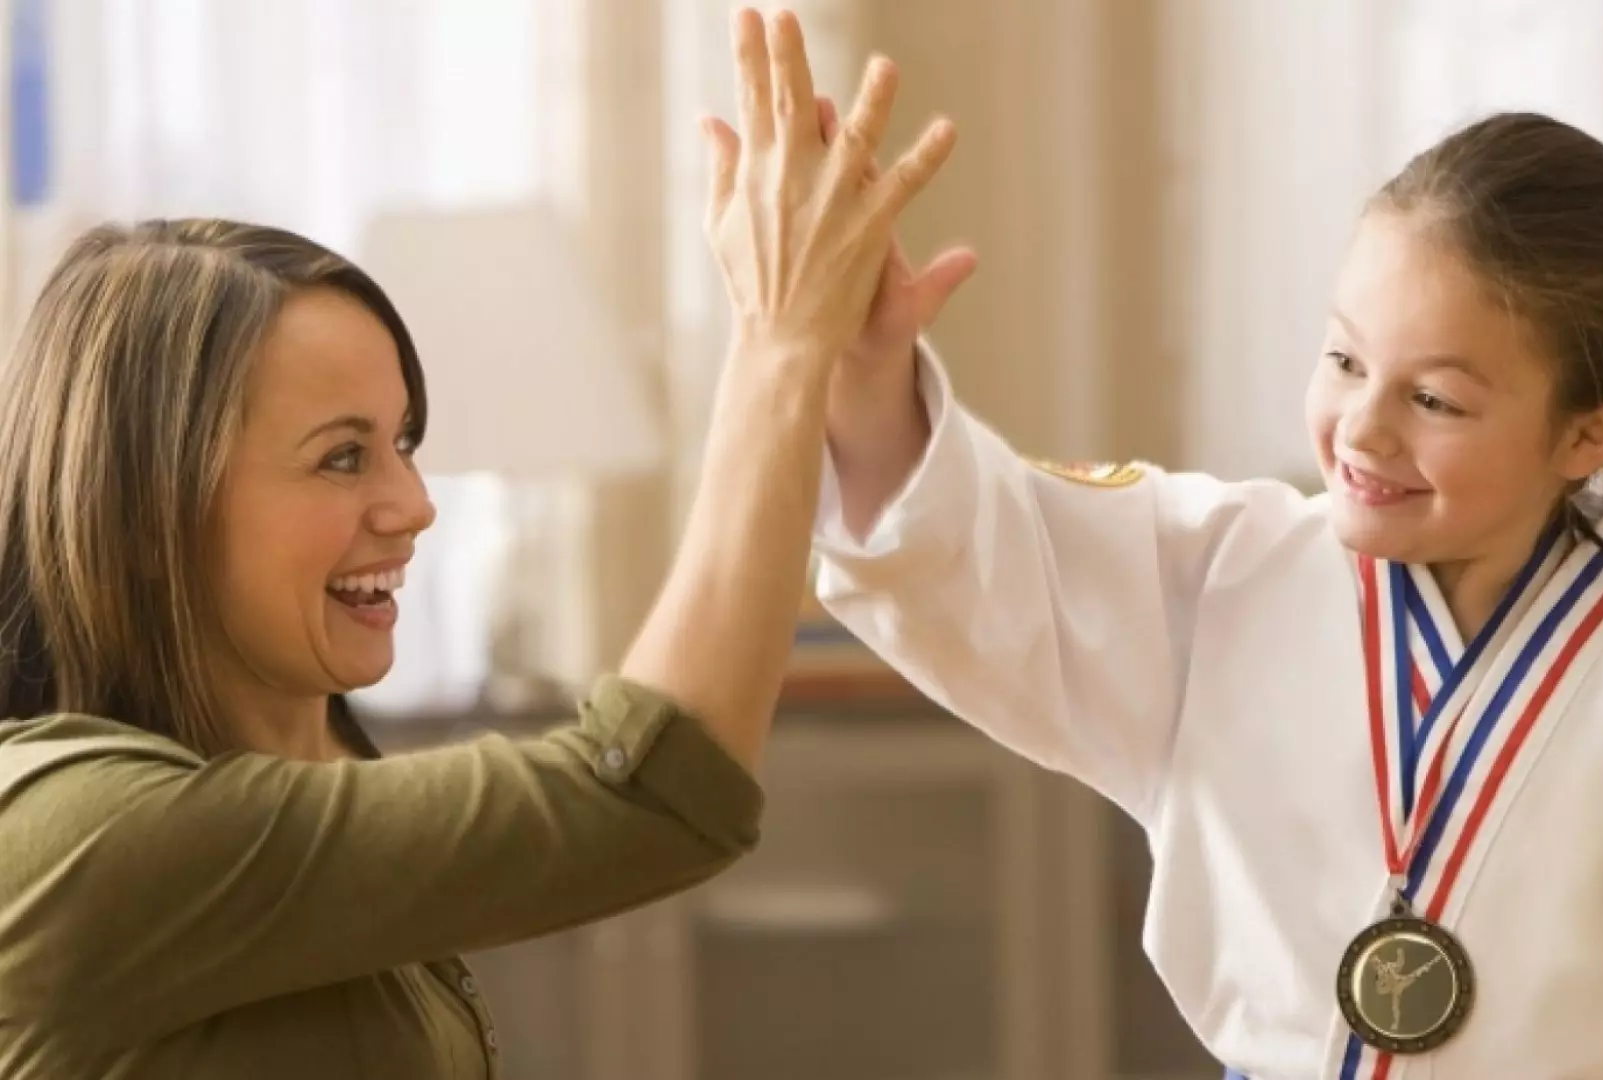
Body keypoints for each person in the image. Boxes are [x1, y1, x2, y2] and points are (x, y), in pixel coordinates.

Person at [809, 104, 1603, 1076]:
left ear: (1591, 433)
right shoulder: (1218, 572)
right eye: (1344, 362)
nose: (1364, 430)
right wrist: (864, 371)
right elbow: (972, 549)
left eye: (1435, 400)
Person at [0, 10, 955, 1077]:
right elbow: (643, 799)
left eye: (402, 443)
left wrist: (829, 372)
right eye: (342, 457)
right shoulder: (65, 833)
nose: (413, 504)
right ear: (148, 512)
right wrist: (780, 347)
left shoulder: (305, 769)